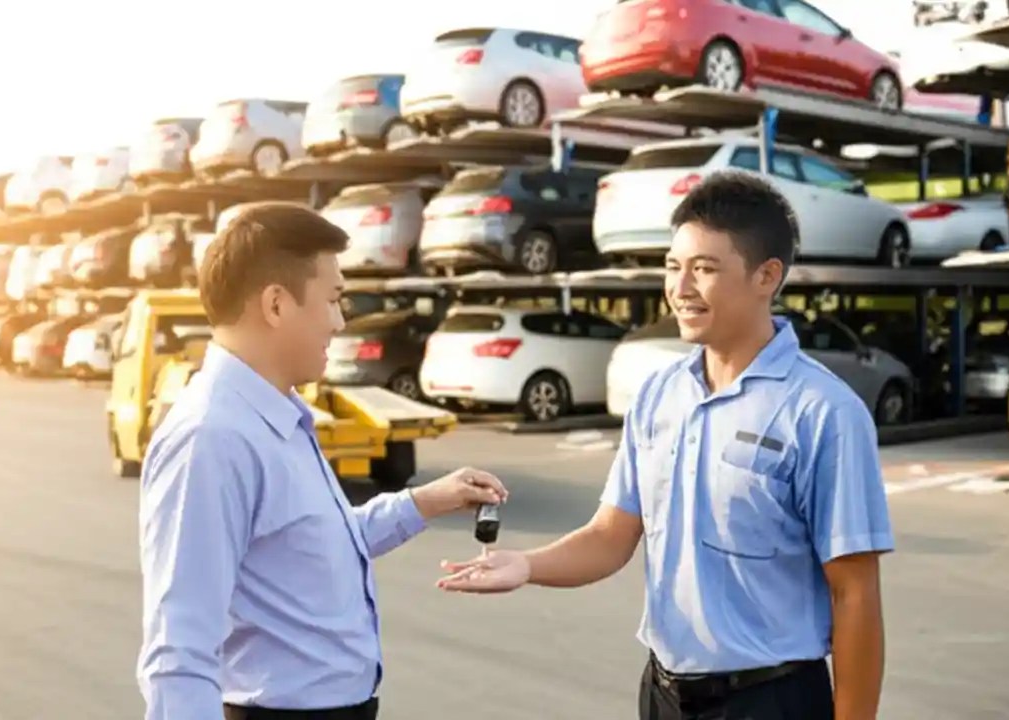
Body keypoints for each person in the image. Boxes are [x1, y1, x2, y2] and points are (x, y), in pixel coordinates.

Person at [437, 171, 894, 720]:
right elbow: (611, 535)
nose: (679, 289)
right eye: (673, 267)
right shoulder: (660, 394)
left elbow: (856, 596)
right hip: (663, 695)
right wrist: (525, 565)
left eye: (704, 269)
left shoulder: (823, 411)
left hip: (770, 701)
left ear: (766, 276)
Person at [137, 201, 508, 720]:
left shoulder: (276, 413)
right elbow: (180, 650)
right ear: (275, 305)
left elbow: (307, 545)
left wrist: (423, 502)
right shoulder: (212, 437)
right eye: (333, 299)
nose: (339, 321)